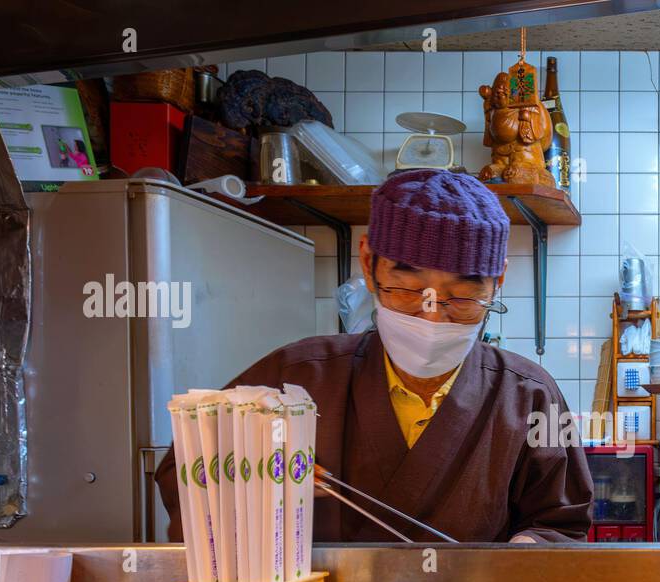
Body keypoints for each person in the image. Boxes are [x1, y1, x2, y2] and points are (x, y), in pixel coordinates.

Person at [155, 169, 593, 543]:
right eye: (407, 287)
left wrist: (529, 551)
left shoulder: (528, 396)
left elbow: (560, 522)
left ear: (497, 282)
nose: (432, 314)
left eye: (462, 295)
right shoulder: (297, 378)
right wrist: (255, 479)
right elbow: (185, 470)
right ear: (369, 264)